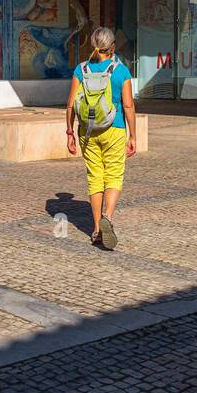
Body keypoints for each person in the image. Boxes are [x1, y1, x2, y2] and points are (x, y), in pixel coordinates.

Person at [65, 26, 136, 250]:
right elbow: (128, 105)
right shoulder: (121, 71)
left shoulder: (81, 69)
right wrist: (133, 135)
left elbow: (70, 104)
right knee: (114, 174)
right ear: (112, 47)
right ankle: (108, 217)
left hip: (87, 131)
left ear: (94, 46)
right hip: (114, 129)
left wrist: (69, 132)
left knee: (95, 176)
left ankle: (96, 229)